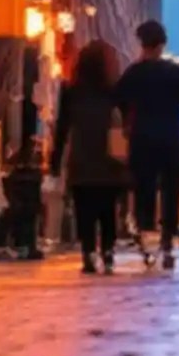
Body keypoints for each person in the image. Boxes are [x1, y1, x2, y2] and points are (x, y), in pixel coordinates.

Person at [115, 20, 179, 270]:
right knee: (172, 189)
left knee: (144, 189)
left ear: (142, 43)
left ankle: (147, 240)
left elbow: (119, 101)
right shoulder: (177, 73)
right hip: (172, 136)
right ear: (162, 44)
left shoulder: (133, 74)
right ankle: (168, 239)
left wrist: (128, 126)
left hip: (143, 138)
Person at [51, 40, 130, 275]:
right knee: (107, 209)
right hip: (108, 159)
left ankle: (88, 252)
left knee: (84, 208)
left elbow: (62, 128)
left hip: (82, 158)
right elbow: (123, 125)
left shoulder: (71, 91)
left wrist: (55, 163)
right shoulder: (115, 91)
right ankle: (107, 251)